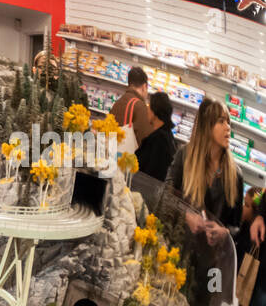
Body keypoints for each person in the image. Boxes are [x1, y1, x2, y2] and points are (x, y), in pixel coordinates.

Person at [166, 99, 263, 260]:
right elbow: (165, 194)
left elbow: (236, 226)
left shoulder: (235, 174)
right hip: (177, 251)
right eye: (221, 121)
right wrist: (186, 215)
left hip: (210, 262)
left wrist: (225, 233)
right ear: (207, 127)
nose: (228, 127)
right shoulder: (185, 156)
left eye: (228, 121)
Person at [109, 65, 158, 150]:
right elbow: (147, 140)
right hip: (128, 159)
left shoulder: (118, 102)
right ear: (144, 87)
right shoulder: (140, 106)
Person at [135, 91, 176, 182]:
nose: (147, 110)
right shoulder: (167, 136)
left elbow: (150, 174)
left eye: (149, 107)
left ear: (155, 112)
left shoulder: (159, 140)